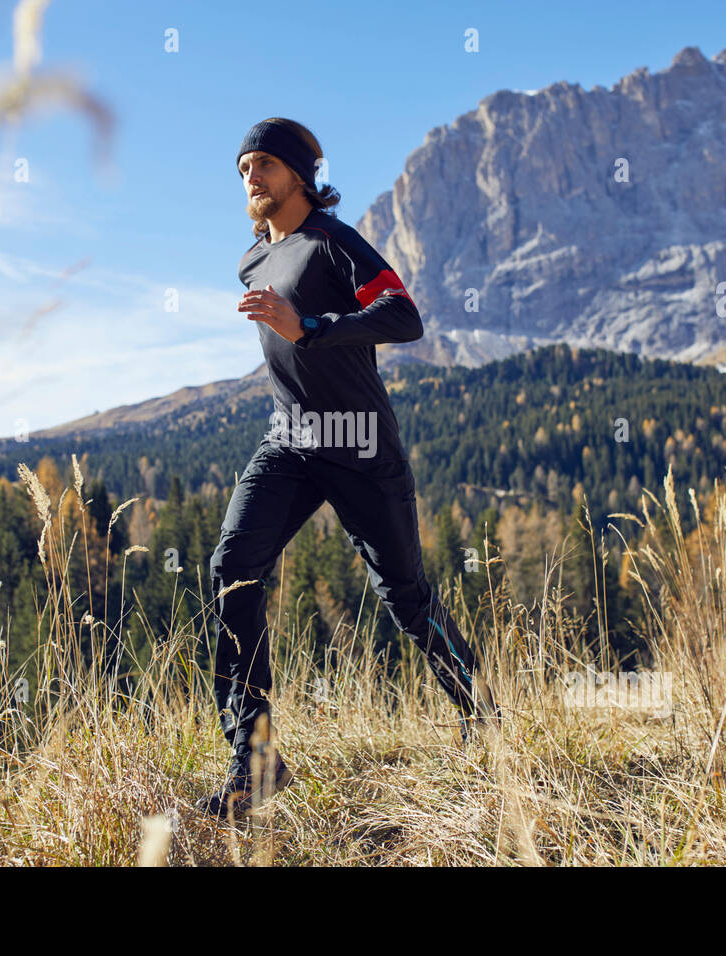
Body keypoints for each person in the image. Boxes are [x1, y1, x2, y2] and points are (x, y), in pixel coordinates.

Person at [197, 118, 500, 821]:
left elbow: (403, 315)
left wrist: (312, 328)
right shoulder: (251, 260)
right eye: (245, 165)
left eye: (266, 164)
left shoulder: (334, 243)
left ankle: (480, 714)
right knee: (233, 568)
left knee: (405, 596)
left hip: (360, 444)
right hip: (291, 443)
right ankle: (256, 759)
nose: (252, 176)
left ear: (302, 174)